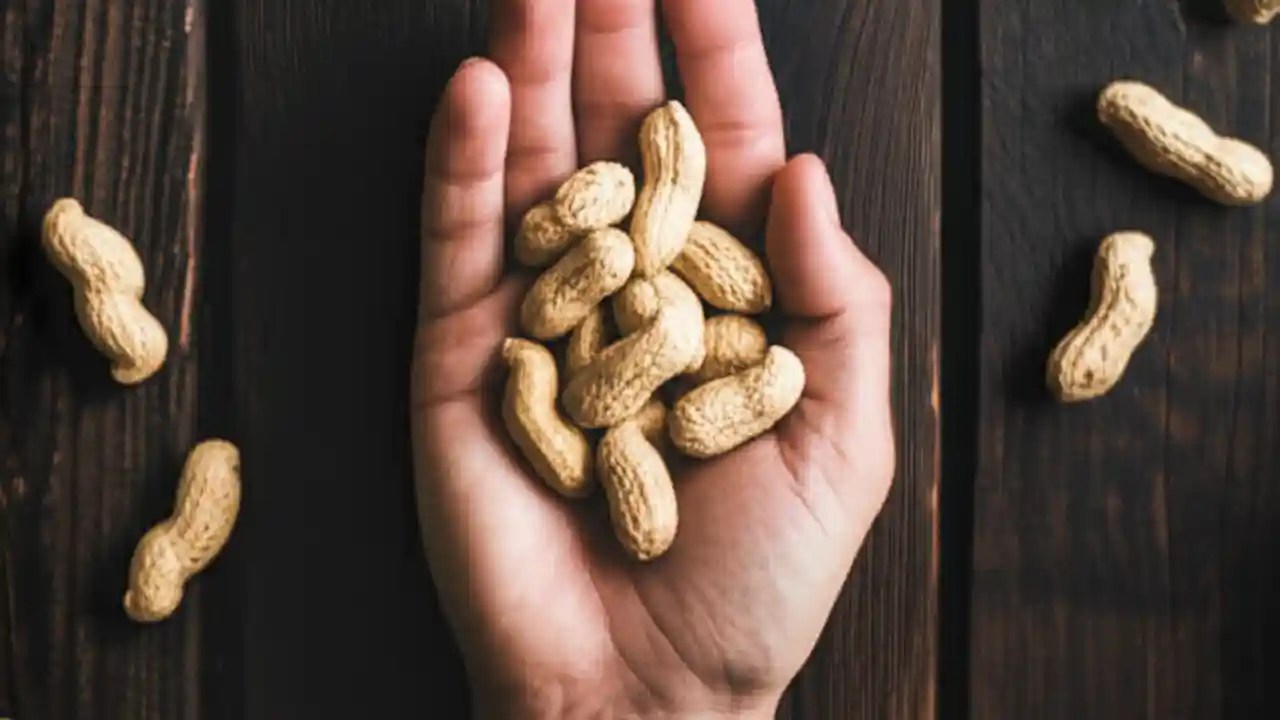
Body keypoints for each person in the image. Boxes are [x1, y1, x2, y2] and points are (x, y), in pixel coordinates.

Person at [410, 1, 895, 717]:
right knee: (615, 282)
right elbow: (594, 375)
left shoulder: (658, 328)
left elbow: (643, 393)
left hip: (641, 343)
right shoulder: (625, 304)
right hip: (624, 331)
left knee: (628, 299)